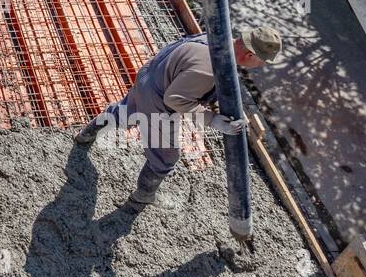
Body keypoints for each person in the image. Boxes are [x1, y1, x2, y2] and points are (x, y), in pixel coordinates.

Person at [75, 26, 283, 207]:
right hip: (159, 101)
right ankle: (142, 197)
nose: (261, 67)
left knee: (123, 113)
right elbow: (175, 99)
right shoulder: (210, 69)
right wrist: (211, 119)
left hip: (150, 76)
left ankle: (85, 135)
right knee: (166, 157)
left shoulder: (216, 38)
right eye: (262, 62)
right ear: (250, 55)